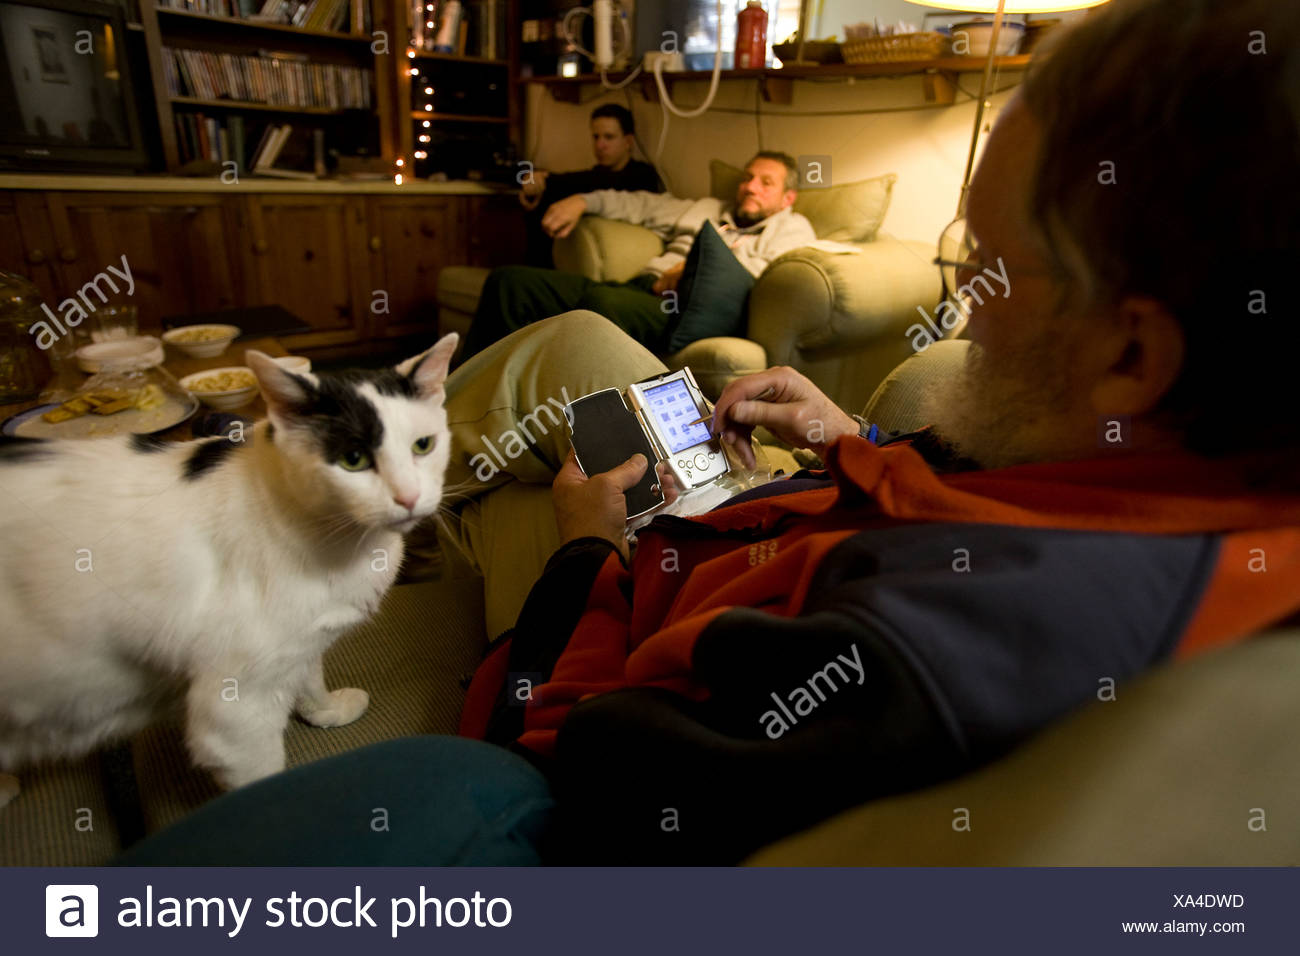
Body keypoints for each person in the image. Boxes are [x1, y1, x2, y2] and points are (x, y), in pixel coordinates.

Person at [118, 0, 1300, 867]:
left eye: (986, 273)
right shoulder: (1181, 463)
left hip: (625, 596)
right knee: (573, 329)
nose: (961, 309)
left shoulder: (930, 659)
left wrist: (586, 549)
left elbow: (570, 763)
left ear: (1133, 355)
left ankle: (361, 499)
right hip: (751, 506)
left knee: (548, 427)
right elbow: (1033, 494)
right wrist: (855, 442)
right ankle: (393, 485)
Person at [462, 150, 816, 357]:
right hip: (635, 288)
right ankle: (466, 396)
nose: (750, 187)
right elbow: (642, 205)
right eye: (747, 177)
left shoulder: (792, 228)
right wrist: (584, 200)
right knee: (510, 281)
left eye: (765, 182)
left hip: (676, 309)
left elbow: (768, 273)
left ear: (788, 197)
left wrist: (688, 272)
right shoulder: (709, 207)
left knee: (602, 304)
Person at [519, 104, 661, 267]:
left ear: (628, 141)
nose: (600, 145)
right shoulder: (595, 174)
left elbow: (599, 187)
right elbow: (567, 181)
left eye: (609, 137)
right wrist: (534, 180)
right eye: (596, 137)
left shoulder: (642, 175)